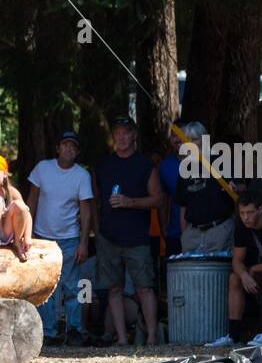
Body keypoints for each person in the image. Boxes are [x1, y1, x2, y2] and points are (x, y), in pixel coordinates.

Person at [92, 115, 163, 346]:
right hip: (108, 237)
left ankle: (151, 338)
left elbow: (157, 199)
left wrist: (129, 202)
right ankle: (122, 339)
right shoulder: (102, 165)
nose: (121, 137)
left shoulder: (145, 166)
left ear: (134, 136)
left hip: (137, 238)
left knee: (144, 288)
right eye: (117, 133)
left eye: (126, 133)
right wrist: (96, 228)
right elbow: (93, 200)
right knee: (113, 289)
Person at [27, 131, 93, 345]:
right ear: (58, 148)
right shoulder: (42, 169)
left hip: (70, 238)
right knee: (46, 286)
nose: (68, 149)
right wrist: (27, 234)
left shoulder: (82, 176)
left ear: (78, 152)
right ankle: (49, 331)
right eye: (65, 145)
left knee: (73, 286)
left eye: (73, 146)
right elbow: (32, 202)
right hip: (42, 237)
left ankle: (74, 329)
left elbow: (86, 212)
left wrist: (84, 242)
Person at [206, 191, 262, 348]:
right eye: (242, 213)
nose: (246, 217)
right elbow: (236, 260)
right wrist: (243, 275)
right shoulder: (241, 227)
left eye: (250, 212)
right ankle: (233, 335)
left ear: (260, 210)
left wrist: (254, 269)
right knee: (234, 278)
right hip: (252, 273)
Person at [176, 121, 236, 253]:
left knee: (220, 273)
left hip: (219, 230)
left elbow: (240, 188)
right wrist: (184, 235)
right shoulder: (184, 167)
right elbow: (183, 205)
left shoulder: (221, 160)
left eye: (195, 139)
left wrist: (234, 186)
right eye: (187, 140)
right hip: (192, 234)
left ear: (204, 139)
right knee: (192, 274)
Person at [157, 118, 186, 256]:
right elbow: (163, 199)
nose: (178, 138)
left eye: (182, 133)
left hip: (201, 233)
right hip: (175, 233)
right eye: (174, 135)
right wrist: (163, 227)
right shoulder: (164, 166)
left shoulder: (204, 162)